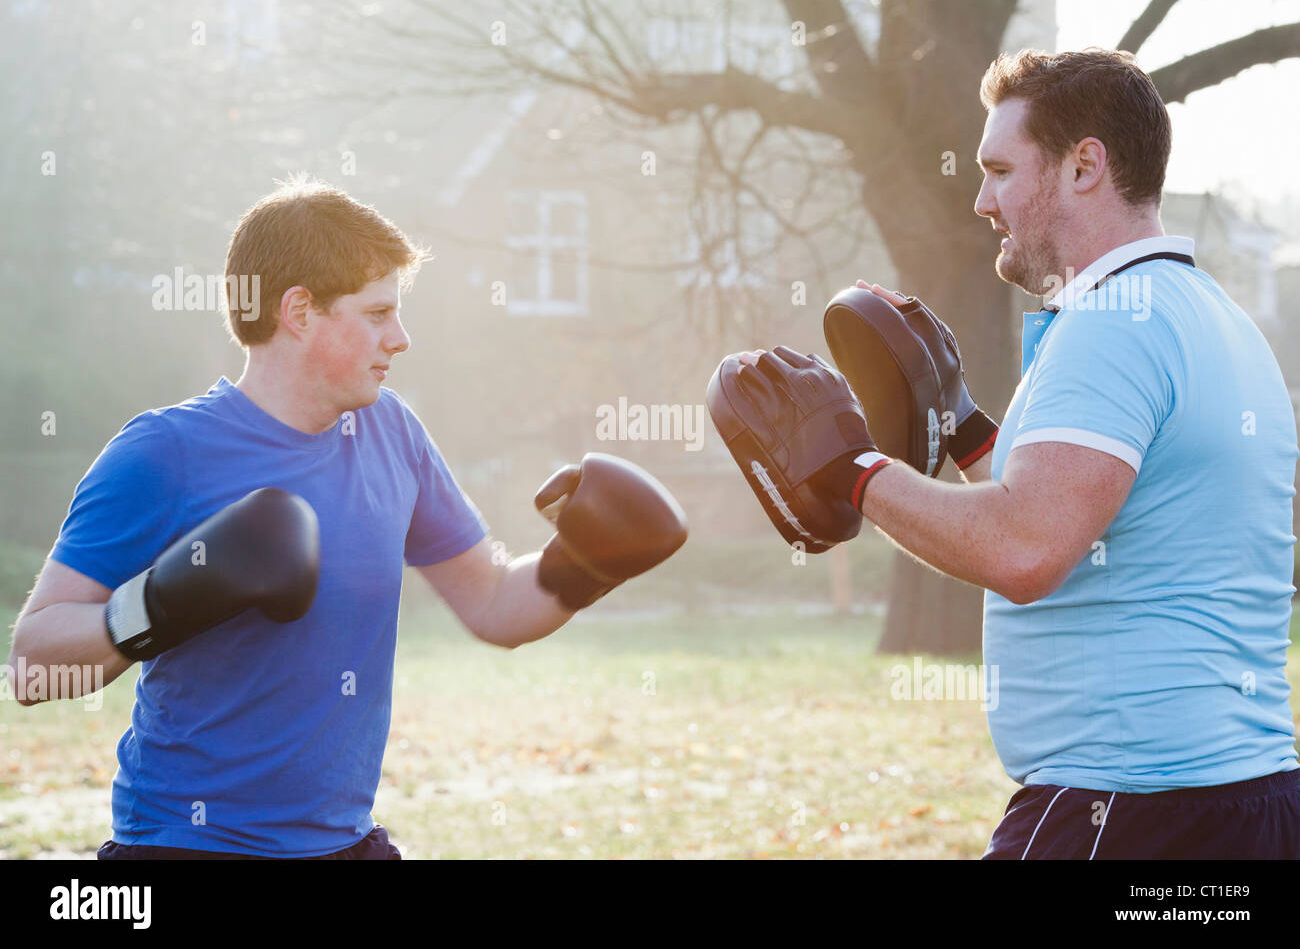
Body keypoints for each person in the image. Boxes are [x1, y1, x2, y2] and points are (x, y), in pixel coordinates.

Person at [5, 177, 686, 859]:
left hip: (343, 844)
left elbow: (493, 605)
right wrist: (163, 602)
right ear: (299, 311)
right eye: (378, 312)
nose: (402, 337)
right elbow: (31, 667)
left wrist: (586, 563)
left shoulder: (391, 432)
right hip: (188, 845)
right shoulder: (165, 453)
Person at [742, 47, 1300, 858]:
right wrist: (969, 429)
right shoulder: (1217, 321)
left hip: (1125, 809)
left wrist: (849, 464)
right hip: (1253, 805)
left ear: (1083, 167)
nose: (981, 201)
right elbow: (1092, 521)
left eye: (1000, 169)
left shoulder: (1110, 326)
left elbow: (1028, 548)